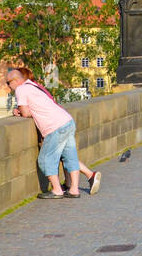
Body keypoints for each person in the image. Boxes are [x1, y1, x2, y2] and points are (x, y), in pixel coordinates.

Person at [8, 67, 100, 198]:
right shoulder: (33, 85)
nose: (8, 86)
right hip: (67, 121)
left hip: (54, 126)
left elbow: (26, 113)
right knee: (70, 157)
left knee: (45, 159)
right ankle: (74, 189)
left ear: (16, 80)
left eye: (8, 83)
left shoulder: (21, 89)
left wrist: (17, 112)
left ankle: (57, 189)